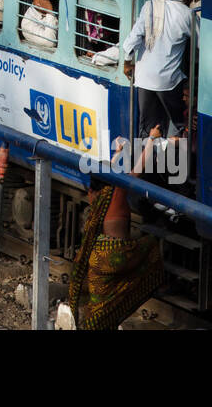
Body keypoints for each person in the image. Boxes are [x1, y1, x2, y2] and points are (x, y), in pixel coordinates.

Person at [64, 128, 166, 330]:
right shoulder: (117, 193)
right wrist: (151, 140)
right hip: (114, 256)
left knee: (101, 307)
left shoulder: (97, 196)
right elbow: (135, 173)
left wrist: (118, 153)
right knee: (152, 246)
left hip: (97, 259)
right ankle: (163, 284)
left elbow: (107, 173)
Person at [122, 0, 196, 137]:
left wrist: (127, 62)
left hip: (144, 78)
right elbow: (201, 43)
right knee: (177, 126)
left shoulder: (149, 6)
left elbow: (134, 36)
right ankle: (174, 157)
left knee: (147, 128)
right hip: (168, 82)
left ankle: (146, 160)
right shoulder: (188, 15)